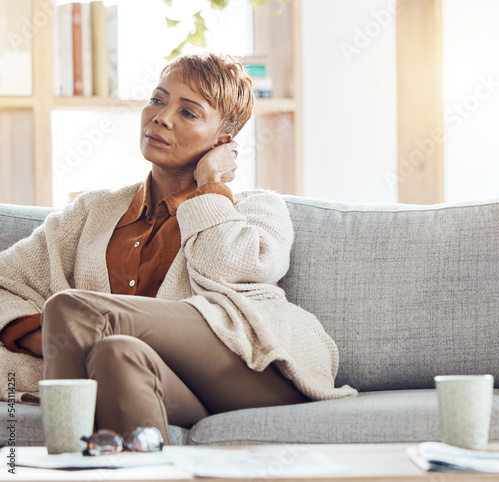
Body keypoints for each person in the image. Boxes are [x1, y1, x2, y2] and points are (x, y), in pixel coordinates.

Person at [0, 52, 356, 441]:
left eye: (188, 113)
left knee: (73, 306)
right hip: (173, 387)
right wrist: (58, 337)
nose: (161, 117)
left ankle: (68, 461)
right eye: (157, 99)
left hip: (255, 374)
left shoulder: (255, 207)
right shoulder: (92, 211)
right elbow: (6, 281)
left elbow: (227, 267)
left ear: (224, 140)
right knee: (112, 353)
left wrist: (210, 186)